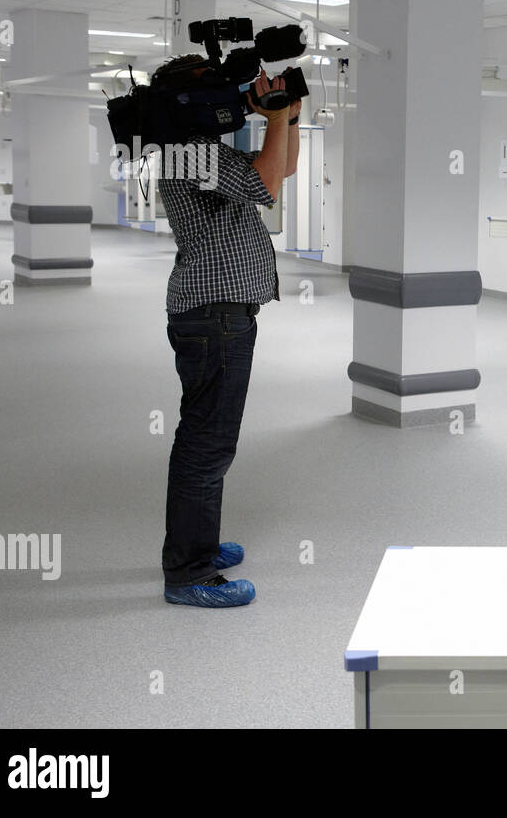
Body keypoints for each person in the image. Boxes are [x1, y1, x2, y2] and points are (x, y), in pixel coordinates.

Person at [155, 60, 300, 607]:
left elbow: (276, 173)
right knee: (206, 445)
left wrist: (286, 119)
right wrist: (276, 118)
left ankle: (199, 546)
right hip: (213, 316)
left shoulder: (199, 150)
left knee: (207, 441)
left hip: (222, 313)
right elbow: (265, 184)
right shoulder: (188, 151)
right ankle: (189, 573)